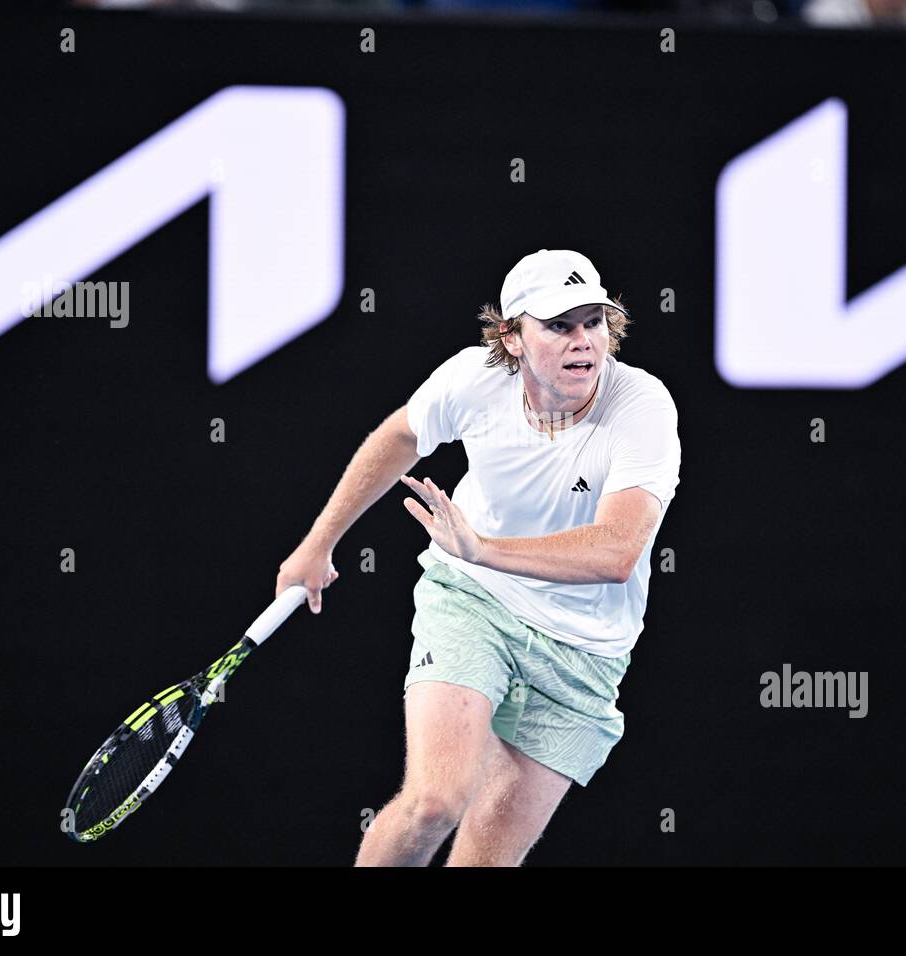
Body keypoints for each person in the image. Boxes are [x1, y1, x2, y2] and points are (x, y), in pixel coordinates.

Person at [275, 249, 681, 866]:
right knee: (435, 802)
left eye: (593, 322)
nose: (583, 342)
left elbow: (617, 550)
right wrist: (318, 542)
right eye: (558, 325)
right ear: (512, 337)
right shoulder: (474, 381)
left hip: (584, 650)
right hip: (474, 600)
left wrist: (482, 546)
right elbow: (402, 436)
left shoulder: (642, 407)